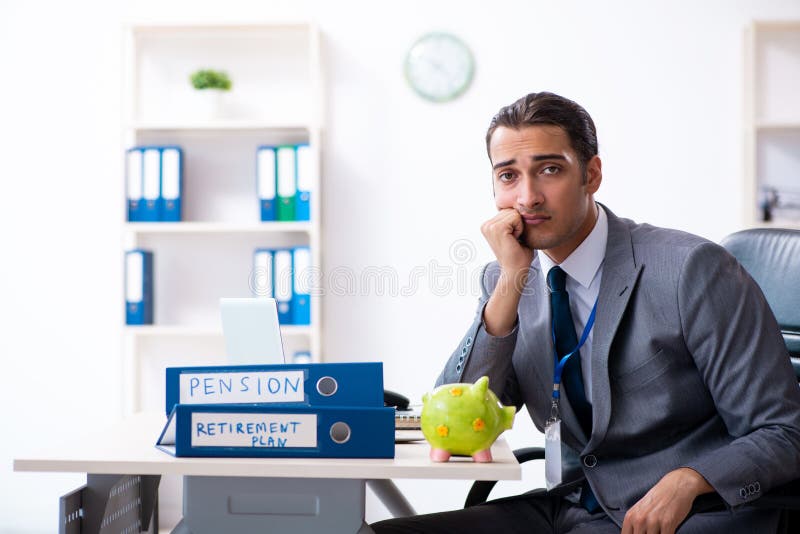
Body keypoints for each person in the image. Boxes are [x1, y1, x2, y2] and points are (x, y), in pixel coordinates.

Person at [372, 92, 800, 533]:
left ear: (591, 174)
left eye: (549, 170)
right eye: (508, 176)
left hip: (693, 514)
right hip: (575, 505)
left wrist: (690, 480)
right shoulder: (509, 279)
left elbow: (784, 433)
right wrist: (509, 284)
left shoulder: (690, 270)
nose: (528, 197)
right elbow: (454, 424)